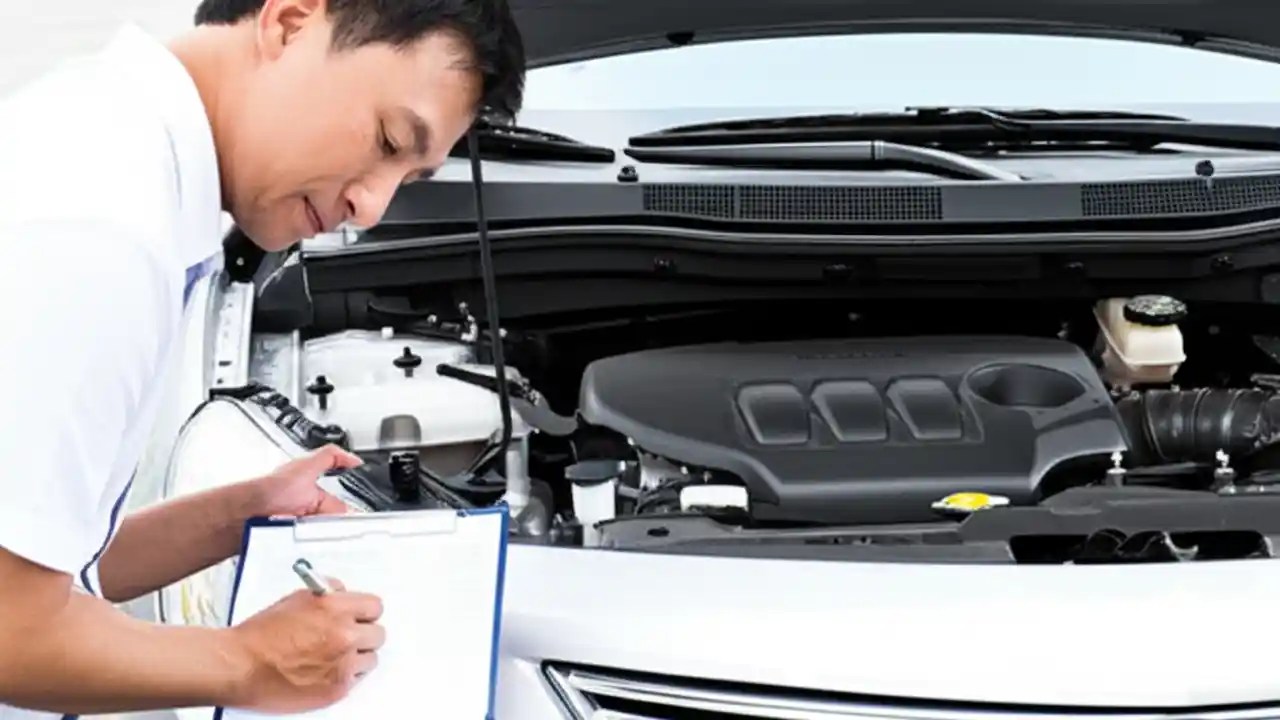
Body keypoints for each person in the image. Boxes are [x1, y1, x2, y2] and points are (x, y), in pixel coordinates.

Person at [0, 0, 525, 717]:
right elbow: (12, 628)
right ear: (290, 21)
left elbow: (46, 568)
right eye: (387, 138)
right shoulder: (102, 235)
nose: (372, 207)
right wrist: (250, 662)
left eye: (409, 178)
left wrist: (239, 516)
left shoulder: (100, 135)